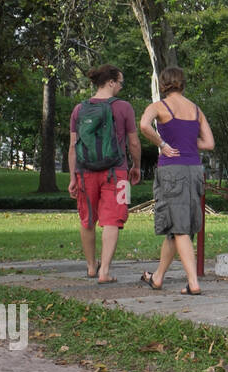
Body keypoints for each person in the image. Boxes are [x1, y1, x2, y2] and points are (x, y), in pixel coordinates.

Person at [137, 66, 214, 294]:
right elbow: (209, 143)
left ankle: (193, 283)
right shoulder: (196, 110)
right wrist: (188, 144)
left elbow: (143, 125)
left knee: (179, 229)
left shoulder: (159, 107)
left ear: (163, 84)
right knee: (178, 227)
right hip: (194, 170)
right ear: (182, 83)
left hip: (172, 171)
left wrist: (162, 144)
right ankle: (158, 277)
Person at [69, 65, 141, 283]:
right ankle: (105, 271)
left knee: (87, 219)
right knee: (113, 219)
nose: (120, 86)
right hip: (117, 172)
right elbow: (134, 142)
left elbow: (73, 146)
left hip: (84, 172)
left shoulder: (78, 110)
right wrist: (136, 166)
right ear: (110, 82)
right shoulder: (124, 108)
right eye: (120, 82)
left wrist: (73, 177)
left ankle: (91, 267)